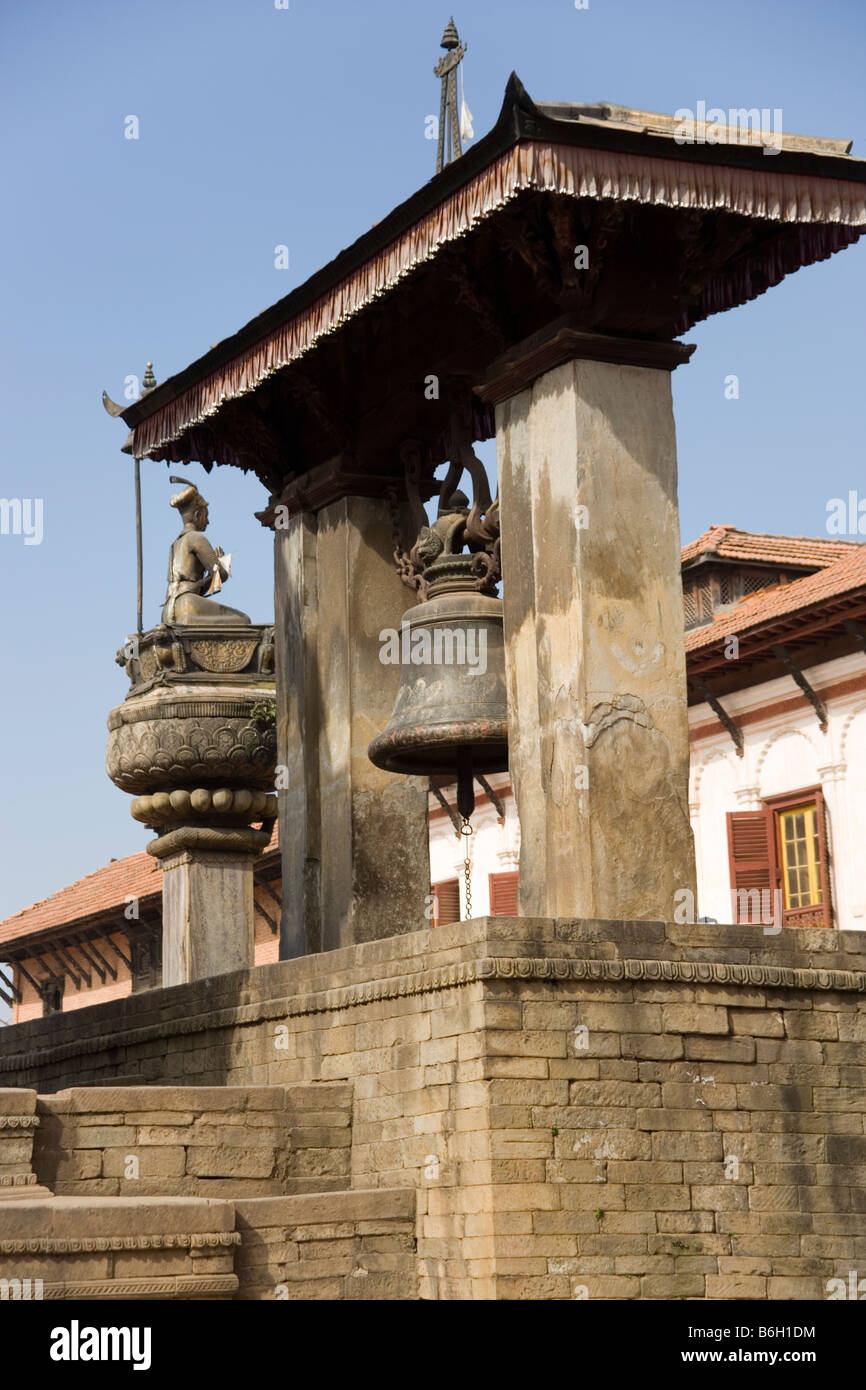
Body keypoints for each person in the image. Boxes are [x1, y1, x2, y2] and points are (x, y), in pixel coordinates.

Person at [161, 477, 250, 625]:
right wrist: (221, 563)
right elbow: (220, 574)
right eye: (205, 516)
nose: (207, 521)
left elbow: (199, 588)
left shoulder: (175, 544)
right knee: (244, 621)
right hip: (186, 603)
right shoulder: (196, 538)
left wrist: (209, 576)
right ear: (197, 515)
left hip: (168, 608)